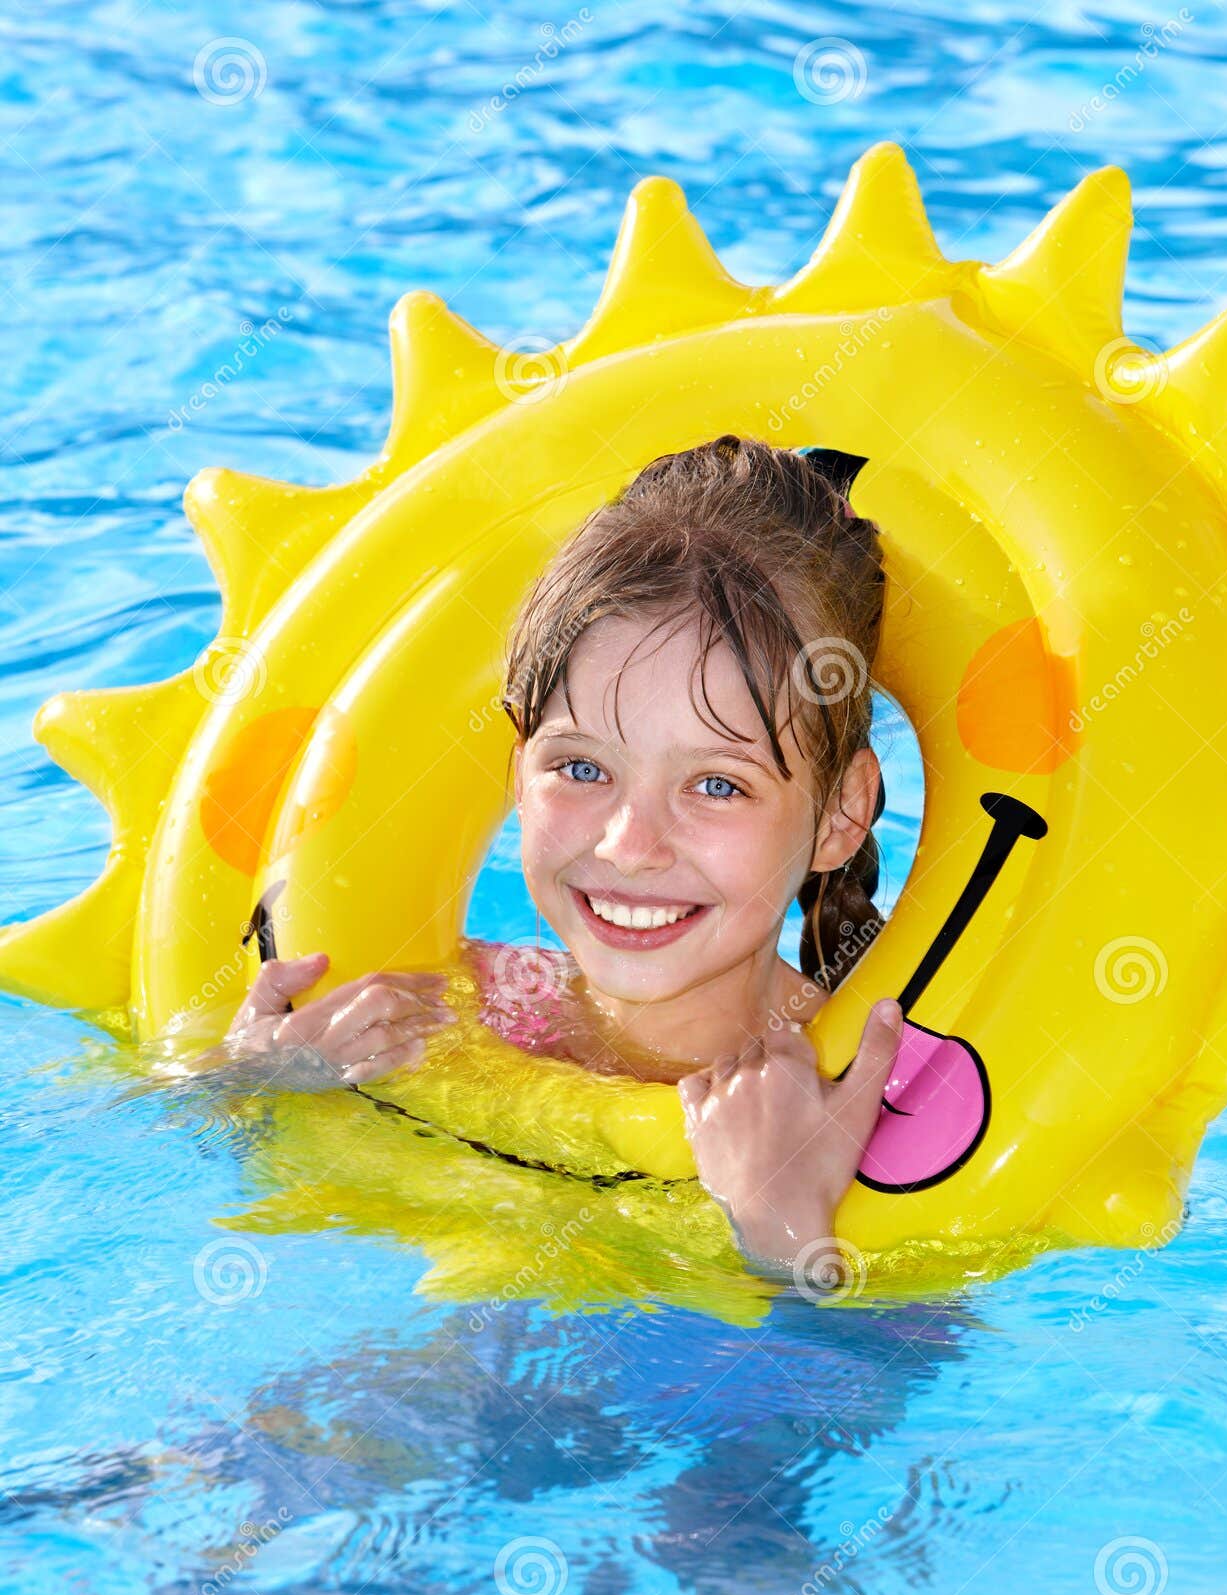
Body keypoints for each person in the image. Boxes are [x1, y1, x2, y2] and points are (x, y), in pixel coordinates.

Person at [215, 436, 907, 1273]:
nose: (629, 846)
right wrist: (251, 1080)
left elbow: (870, 1391)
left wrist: (782, 1224)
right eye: (582, 768)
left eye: (717, 785)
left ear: (840, 814)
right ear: (517, 771)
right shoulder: (461, 1004)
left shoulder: (863, 1097)